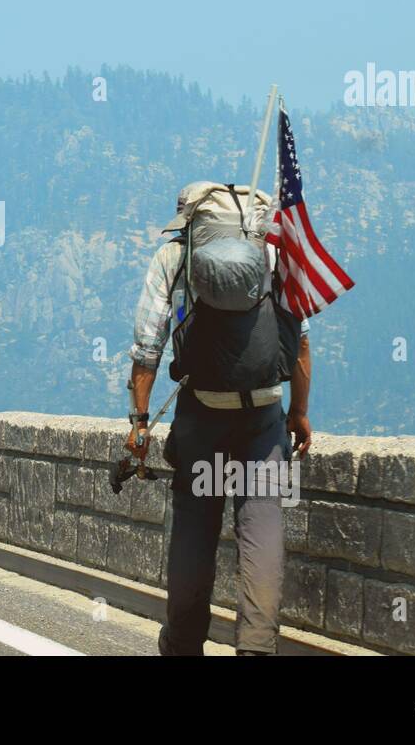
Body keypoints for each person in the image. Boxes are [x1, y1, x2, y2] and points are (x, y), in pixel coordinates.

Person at [128, 182, 312, 656]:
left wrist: (140, 421)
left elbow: (148, 348)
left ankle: (185, 644)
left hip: (202, 416)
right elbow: (300, 342)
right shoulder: (273, 256)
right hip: (264, 417)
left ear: (190, 220)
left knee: (194, 529)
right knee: (263, 533)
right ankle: (255, 647)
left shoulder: (175, 256)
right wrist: (299, 412)